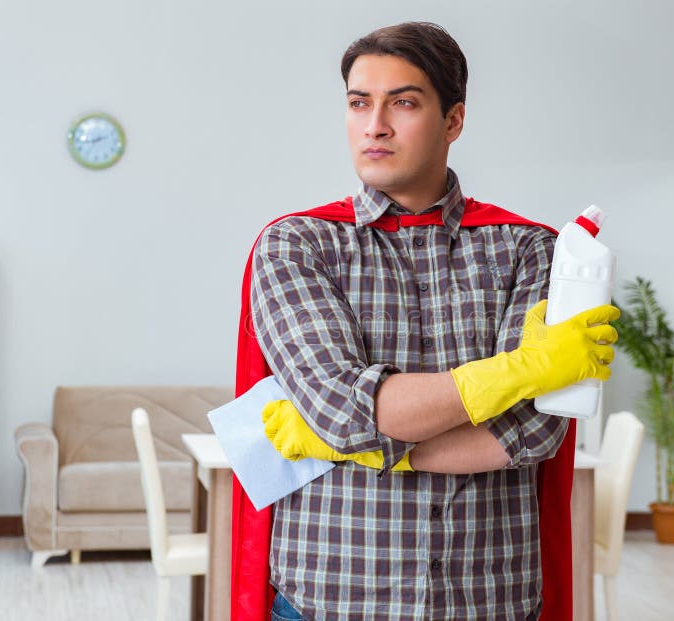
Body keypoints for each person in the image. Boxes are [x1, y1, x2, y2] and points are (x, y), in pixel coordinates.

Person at [233, 21, 619, 621]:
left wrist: (357, 443)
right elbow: (340, 410)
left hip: (488, 597)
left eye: (403, 102)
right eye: (359, 103)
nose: (374, 125)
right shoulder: (295, 246)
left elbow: (535, 432)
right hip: (330, 598)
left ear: (453, 121)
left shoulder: (529, 250)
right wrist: (521, 371)